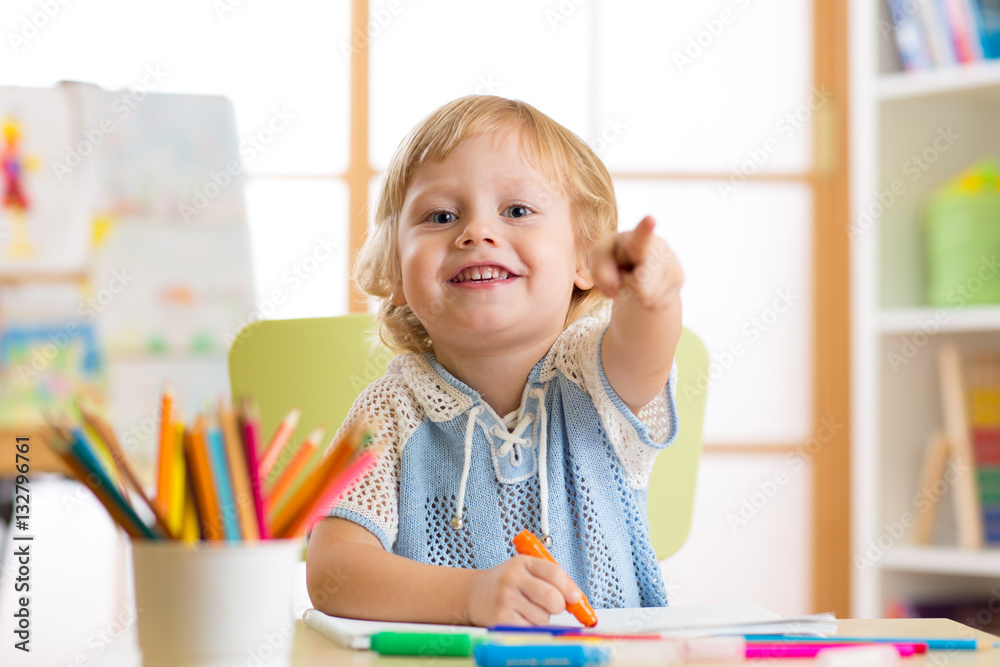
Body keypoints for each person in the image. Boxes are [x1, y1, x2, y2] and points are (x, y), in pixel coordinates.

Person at [306, 95, 683, 627]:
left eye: (517, 211)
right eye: (441, 216)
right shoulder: (390, 412)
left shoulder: (596, 378)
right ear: (394, 270)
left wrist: (652, 286)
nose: (476, 232)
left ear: (583, 257)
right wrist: (469, 597)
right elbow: (333, 572)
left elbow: (646, 352)